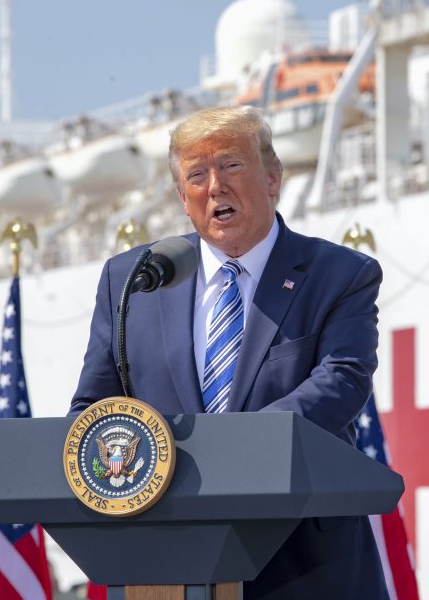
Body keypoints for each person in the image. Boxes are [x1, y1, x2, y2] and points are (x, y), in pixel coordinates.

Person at [69, 106, 388, 599]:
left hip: (306, 563)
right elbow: (93, 407)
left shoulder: (340, 275)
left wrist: (229, 452)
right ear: (182, 196)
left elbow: (342, 381)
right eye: (197, 175)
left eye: (231, 166)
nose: (215, 186)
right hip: (167, 559)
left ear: (273, 178)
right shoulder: (133, 279)